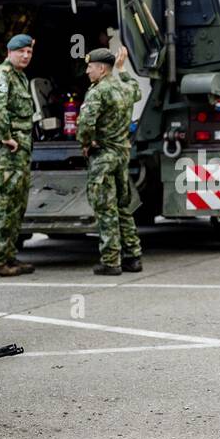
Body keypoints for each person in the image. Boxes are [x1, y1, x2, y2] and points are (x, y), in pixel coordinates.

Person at [78, 45, 142, 276]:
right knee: (123, 207)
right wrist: (123, 69)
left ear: (102, 69)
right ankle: (133, 256)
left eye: (90, 67)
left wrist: (86, 143)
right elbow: (137, 90)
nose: (87, 71)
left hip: (103, 157)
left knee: (105, 209)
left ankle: (111, 261)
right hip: (122, 155)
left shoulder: (97, 92)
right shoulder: (124, 88)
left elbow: (85, 124)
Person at [0, 33, 37, 278]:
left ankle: (7, 256)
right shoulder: (3, 75)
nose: (25, 56)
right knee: (6, 206)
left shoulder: (20, 77)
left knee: (18, 205)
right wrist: (6, 136)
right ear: (10, 52)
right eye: (21, 52)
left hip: (21, 151)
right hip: (11, 151)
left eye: (29, 52)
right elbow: (0, 106)